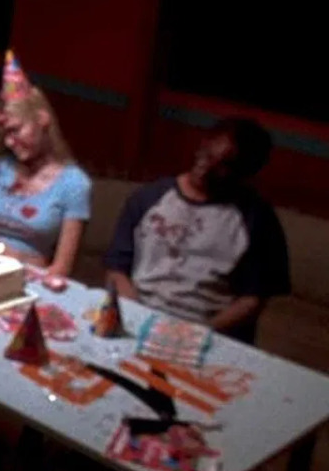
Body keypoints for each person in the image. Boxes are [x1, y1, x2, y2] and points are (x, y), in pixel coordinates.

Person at [104, 117, 290, 344]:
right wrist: (136, 315)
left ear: (244, 173)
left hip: (206, 329)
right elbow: (117, 269)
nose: (206, 168)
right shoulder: (149, 197)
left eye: (224, 165)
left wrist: (200, 332)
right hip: (139, 314)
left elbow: (252, 299)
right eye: (206, 155)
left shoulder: (256, 219)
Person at [0, 51, 92, 279]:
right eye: (5, 134)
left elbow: (61, 268)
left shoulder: (74, 184)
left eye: (15, 130)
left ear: (42, 119)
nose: (9, 142)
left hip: (29, 279)